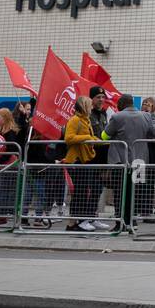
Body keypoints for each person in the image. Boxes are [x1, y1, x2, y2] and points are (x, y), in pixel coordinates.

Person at [102, 94, 155, 228]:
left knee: (120, 192)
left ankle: (120, 222)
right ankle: (132, 221)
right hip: (140, 160)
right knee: (136, 191)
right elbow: (154, 132)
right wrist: (153, 115)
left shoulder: (117, 117)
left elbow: (105, 135)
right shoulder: (145, 116)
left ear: (121, 105)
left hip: (121, 161)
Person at [60, 96, 101, 232]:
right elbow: (69, 138)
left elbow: (89, 136)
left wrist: (99, 141)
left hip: (86, 159)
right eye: (89, 105)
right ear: (84, 106)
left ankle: (74, 222)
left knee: (83, 192)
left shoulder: (86, 120)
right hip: (76, 160)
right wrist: (88, 138)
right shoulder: (75, 120)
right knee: (80, 192)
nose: (91, 107)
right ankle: (77, 221)